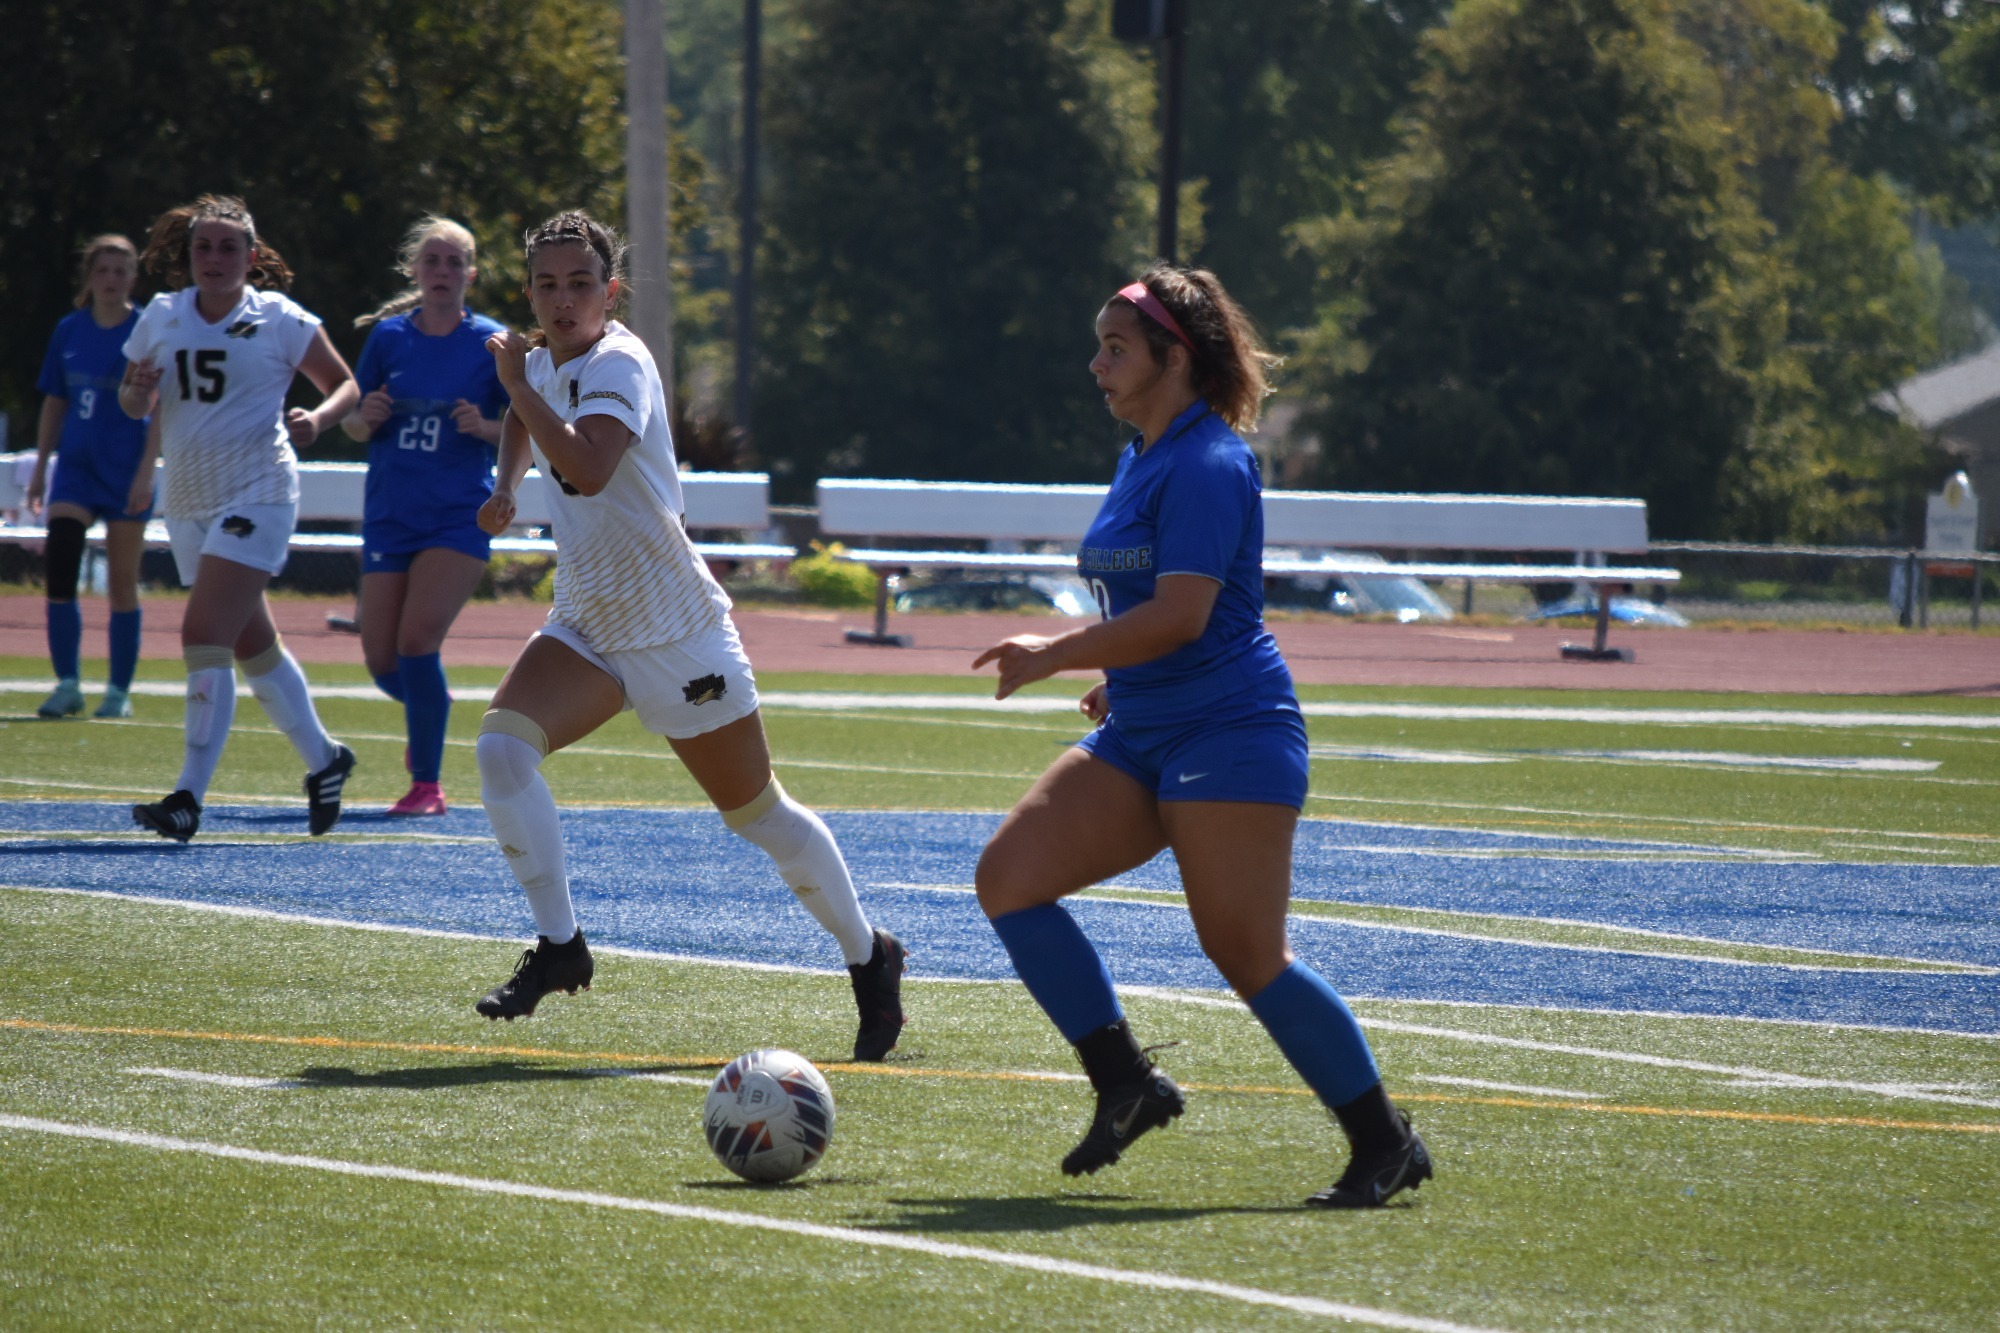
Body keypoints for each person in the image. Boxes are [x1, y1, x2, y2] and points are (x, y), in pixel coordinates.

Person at [971, 263, 1432, 1208]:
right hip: (1145, 726)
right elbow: (1154, 608)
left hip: (1230, 731)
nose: (1096, 364)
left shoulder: (1210, 461)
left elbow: (1184, 615)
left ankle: (1385, 1142)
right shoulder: (1141, 454)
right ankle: (1126, 1082)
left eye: (1116, 348)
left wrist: (1057, 652)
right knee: (1009, 879)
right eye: (1100, 346)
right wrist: (1116, 673)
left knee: (1246, 953)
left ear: (1172, 358)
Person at [469, 210, 906, 1061]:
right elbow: (527, 418)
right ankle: (561, 946)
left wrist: (517, 388)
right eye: (547, 285)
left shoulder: (620, 362)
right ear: (529, 292)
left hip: (673, 624)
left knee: (759, 814)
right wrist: (506, 485)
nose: (563, 300)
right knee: (502, 752)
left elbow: (589, 465)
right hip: (587, 617)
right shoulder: (542, 362)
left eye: (580, 283)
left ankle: (869, 953)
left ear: (611, 292)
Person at [119, 195, 361, 843]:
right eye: (204, 246)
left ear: (252, 257)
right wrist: (136, 392)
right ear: (189, 254)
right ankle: (326, 759)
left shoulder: (277, 317)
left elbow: (345, 385)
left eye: (229, 247)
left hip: (258, 492)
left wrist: (318, 419)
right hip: (189, 499)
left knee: (204, 633)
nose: (216, 258)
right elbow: (132, 400)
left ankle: (188, 798)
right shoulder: (163, 315)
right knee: (253, 645)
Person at [341, 217, 510, 817]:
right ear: (414, 270)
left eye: (453, 262)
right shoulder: (388, 338)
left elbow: (528, 429)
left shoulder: (493, 343)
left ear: (471, 274)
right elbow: (353, 421)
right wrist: (364, 417)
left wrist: (484, 427)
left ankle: (426, 785)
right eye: (432, 261)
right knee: (382, 659)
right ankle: (430, 707)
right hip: (391, 512)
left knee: (417, 641)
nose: (442, 271)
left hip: (457, 516)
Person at [29, 235, 154, 720]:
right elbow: (55, 400)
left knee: (122, 585)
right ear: (90, 276)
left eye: (121, 271)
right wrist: (40, 469)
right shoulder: (69, 330)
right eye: (103, 270)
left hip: (124, 470)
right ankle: (67, 683)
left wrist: (146, 471)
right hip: (75, 471)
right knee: (60, 568)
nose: (111, 279)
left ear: (133, 278)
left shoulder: (146, 330)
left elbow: (162, 408)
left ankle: (118, 692)